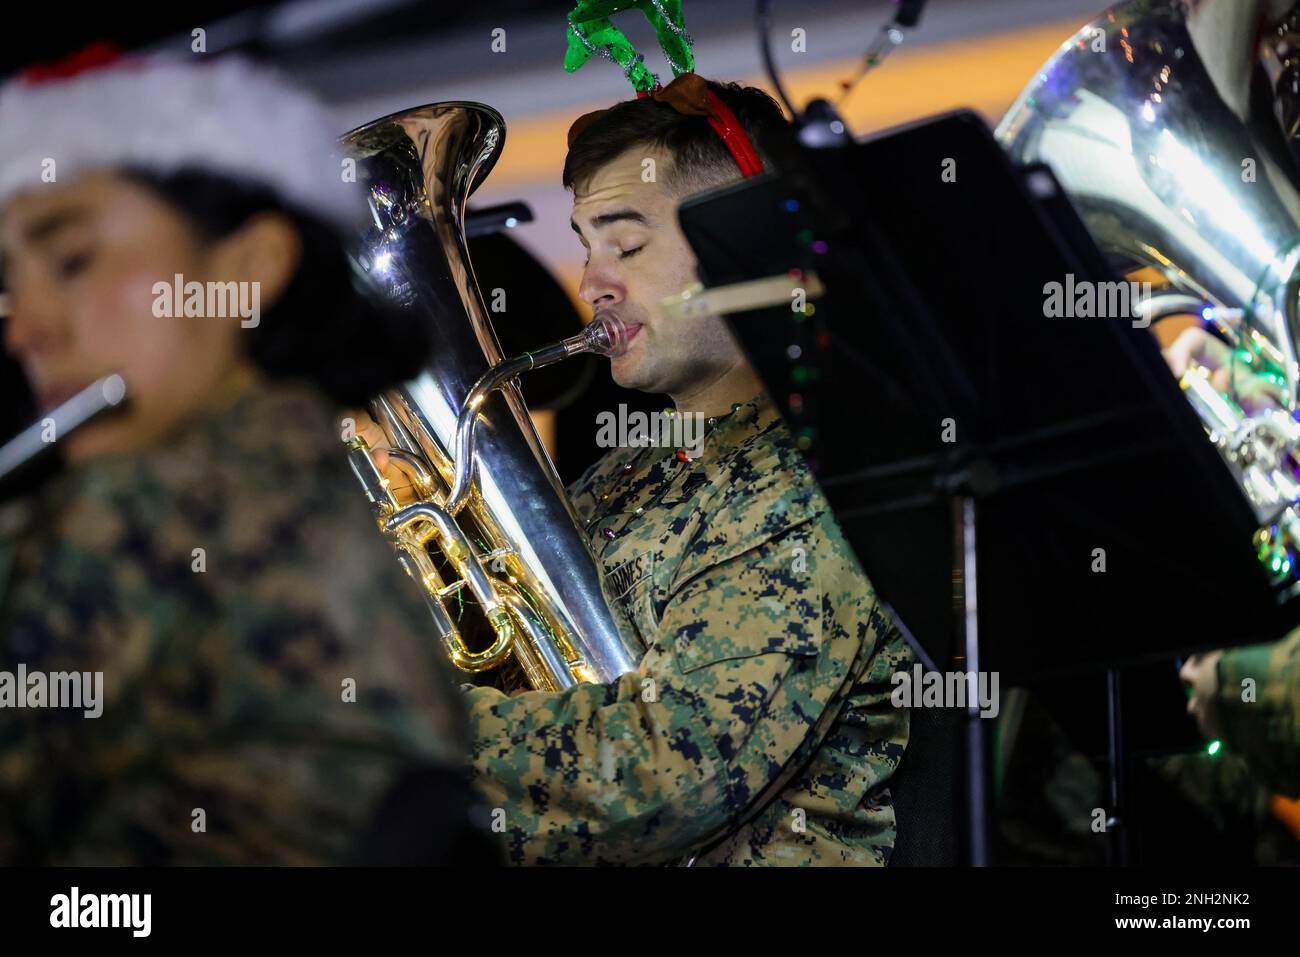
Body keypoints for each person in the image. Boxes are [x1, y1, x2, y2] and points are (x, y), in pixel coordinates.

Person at [0, 49, 490, 865]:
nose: (25, 328)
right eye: (9, 278)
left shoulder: (129, 517)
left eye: (75, 259)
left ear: (252, 265)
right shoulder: (282, 485)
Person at [450, 73, 913, 865]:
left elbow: (669, 770)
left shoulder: (806, 488)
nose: (592, 283)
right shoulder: (615, 480)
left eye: (626, 245)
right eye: (587, 246)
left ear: (746, 245)